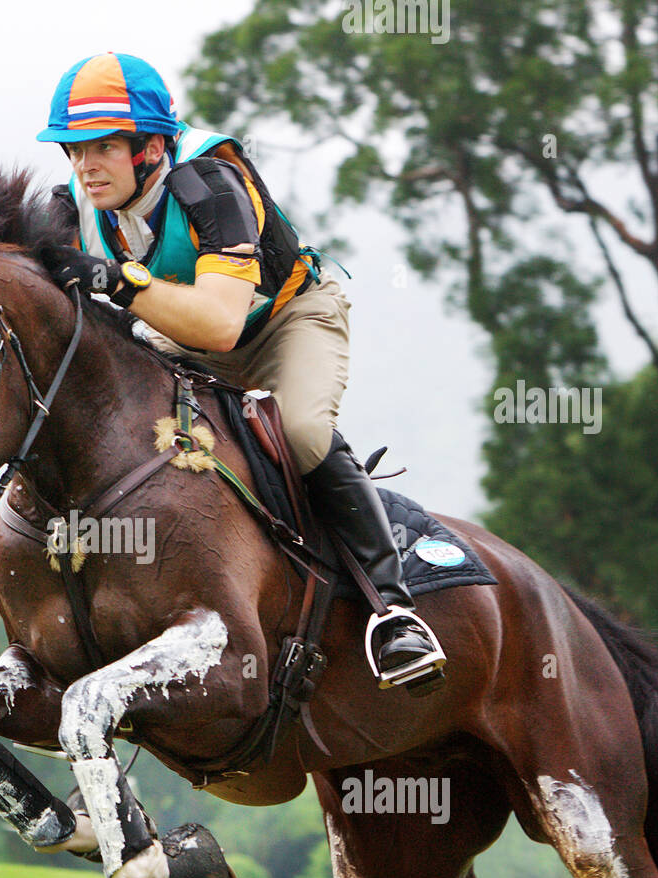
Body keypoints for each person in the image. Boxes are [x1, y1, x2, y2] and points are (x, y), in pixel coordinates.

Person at [36, 52, 446, 693]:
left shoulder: (212, 183)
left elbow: (222, 326)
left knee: (301, 431)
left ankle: (393, 612)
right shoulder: (72, 207)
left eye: (103, 146)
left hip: (286, 321)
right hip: (178, 339)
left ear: (150, 146)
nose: (85, 165)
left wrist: (119, 280)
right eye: (73, 148)